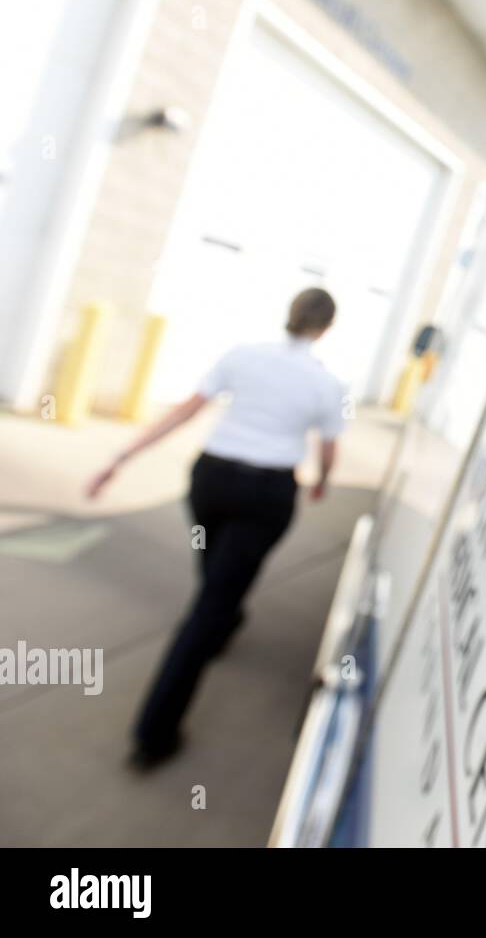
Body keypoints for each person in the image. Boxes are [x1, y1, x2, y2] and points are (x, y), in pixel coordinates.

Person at [86, 287, 345, 768]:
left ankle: (225, 618)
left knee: (216, 574)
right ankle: (154, 735)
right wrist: (323, 482)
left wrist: (121, 457)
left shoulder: (243, 356)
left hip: (211, 482)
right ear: (326, 328)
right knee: (211, 601)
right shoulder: (326, 384)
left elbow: (186, 410)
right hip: (266, 495)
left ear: (288, 314)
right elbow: (329, 448)